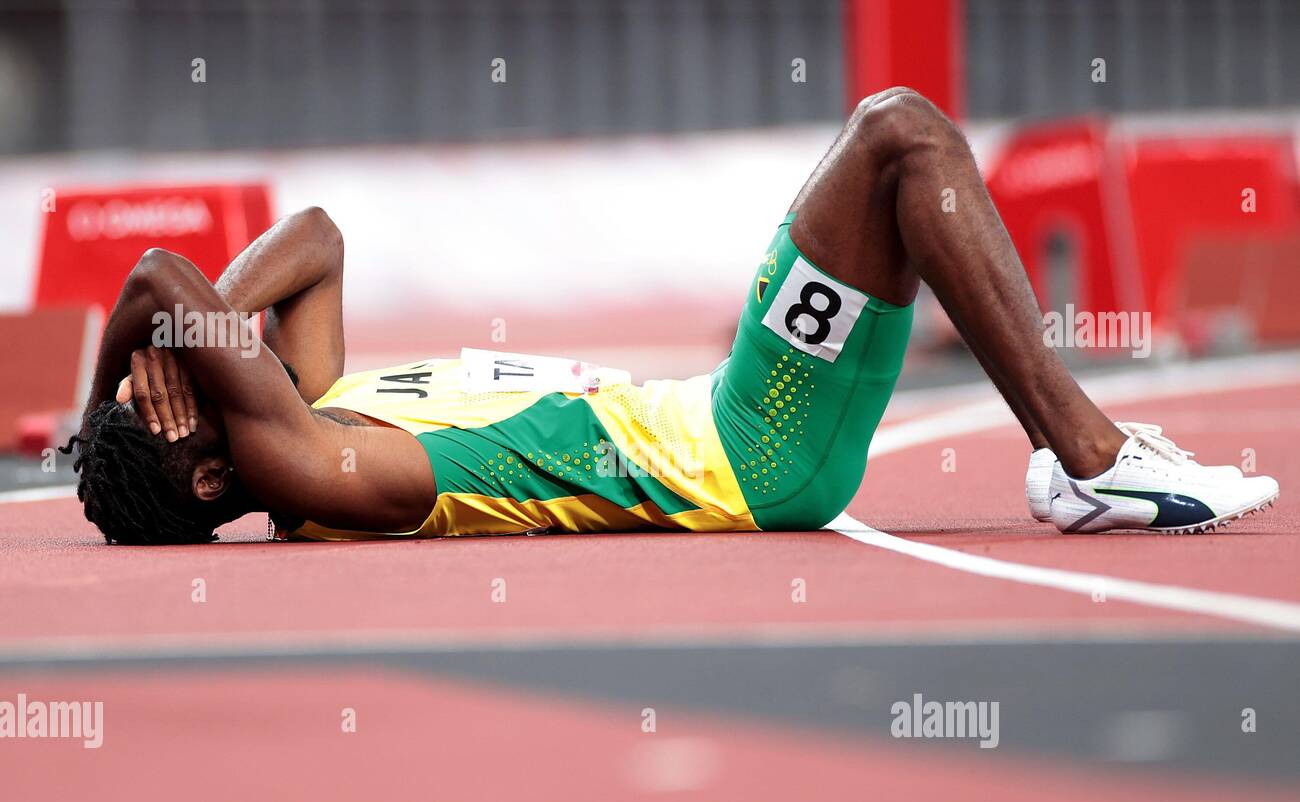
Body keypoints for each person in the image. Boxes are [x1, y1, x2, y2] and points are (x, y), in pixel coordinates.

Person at [63, 88, 1277, 545]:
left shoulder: (309, 404)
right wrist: (120, 381)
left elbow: (319, 239)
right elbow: (160, 275)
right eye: (176, 415)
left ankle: (1070, 465)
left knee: (906, 158)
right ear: (221, 480)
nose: (188, 369)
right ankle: (1089, 456)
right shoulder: (319, 469)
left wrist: (173, 356)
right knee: (901, 135)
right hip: (751, 449)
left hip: (742, 423)